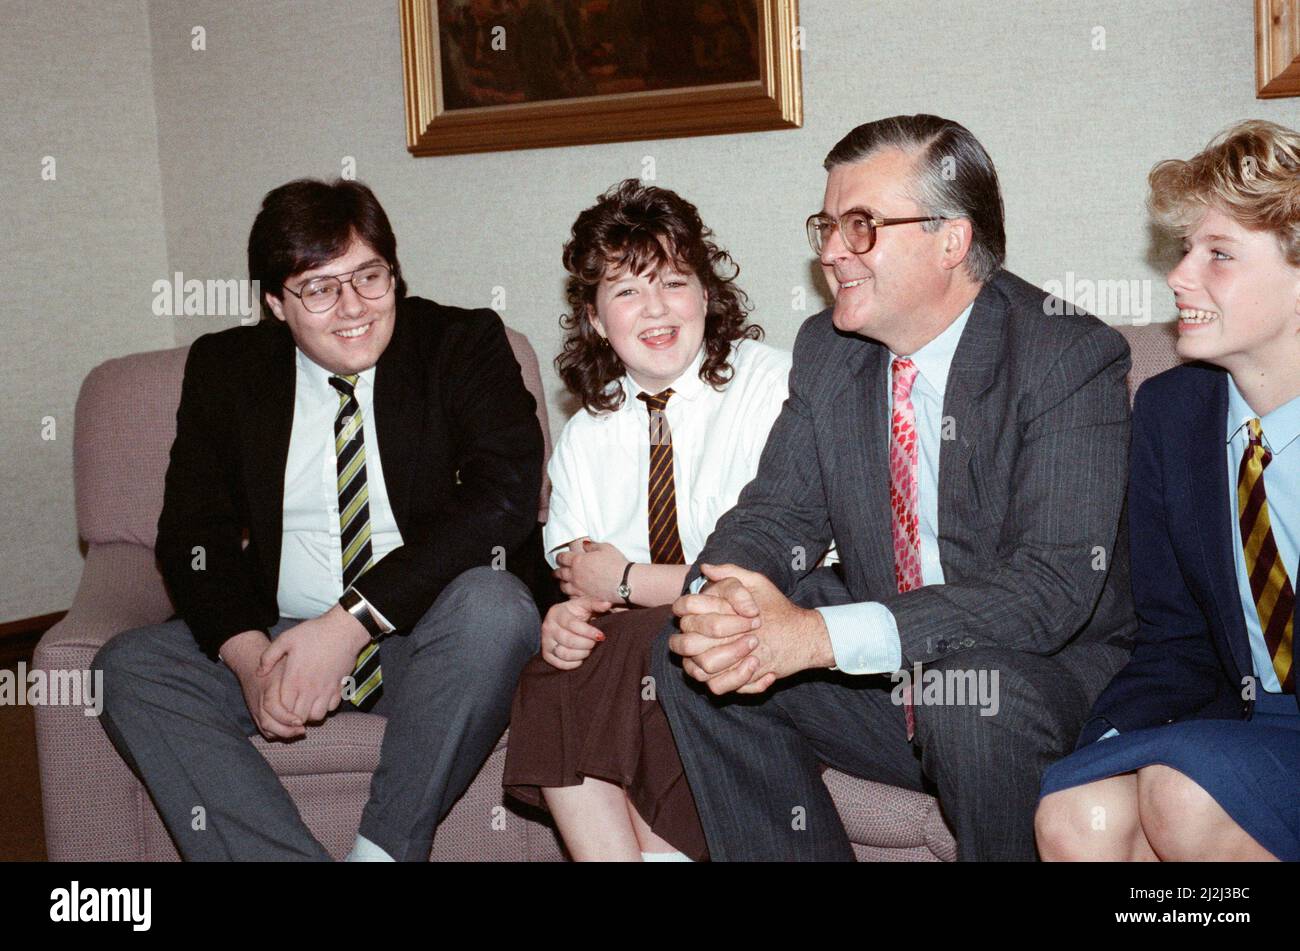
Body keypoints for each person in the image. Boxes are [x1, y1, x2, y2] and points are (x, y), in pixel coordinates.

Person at [649, 114, 1139, 861]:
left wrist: (817, 637)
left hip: (1044, 682)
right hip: (894, 683)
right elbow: (778, 513)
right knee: (690, 654)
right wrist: (723, 601)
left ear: (952, 240)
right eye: (827, 225)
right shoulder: (830, 351)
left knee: (975, 698)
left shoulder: (1066, 353)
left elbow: (1051, 588)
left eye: (860, 226)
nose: (831, 252)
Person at [92, 178, 544, 861]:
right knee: (130, 666)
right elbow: (193, 533)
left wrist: (351, 622)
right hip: (284, 638)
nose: (353, 307)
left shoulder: (463, 342)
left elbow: (503, 499)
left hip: (426, 643)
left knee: (496, 607)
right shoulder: (228, 369)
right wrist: (247, 657)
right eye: (319, 287)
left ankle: (382, 851)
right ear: (275, 302)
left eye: (369, 276)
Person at [502, 179, 801, 861]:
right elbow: (581, 582)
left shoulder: (772, 384)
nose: (657, 308)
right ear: (597, 318)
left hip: (764, 634)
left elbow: (765, 573)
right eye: (627, 290)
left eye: (673, 280)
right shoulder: (587, 433)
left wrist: (629, 580)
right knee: (559, 665)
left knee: (656, 639)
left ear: (706, 293)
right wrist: (566, 618)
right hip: (643, 651)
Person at [1036, 120, 1300, 862]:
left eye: (1219, 255)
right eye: (1186, 250)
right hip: (1249, 720)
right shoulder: (1170, 411)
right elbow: (1176, 639)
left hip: (1236, 765)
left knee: (1184, 794)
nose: (1181, 275)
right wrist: (1114, 740)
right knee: (1076, 813)